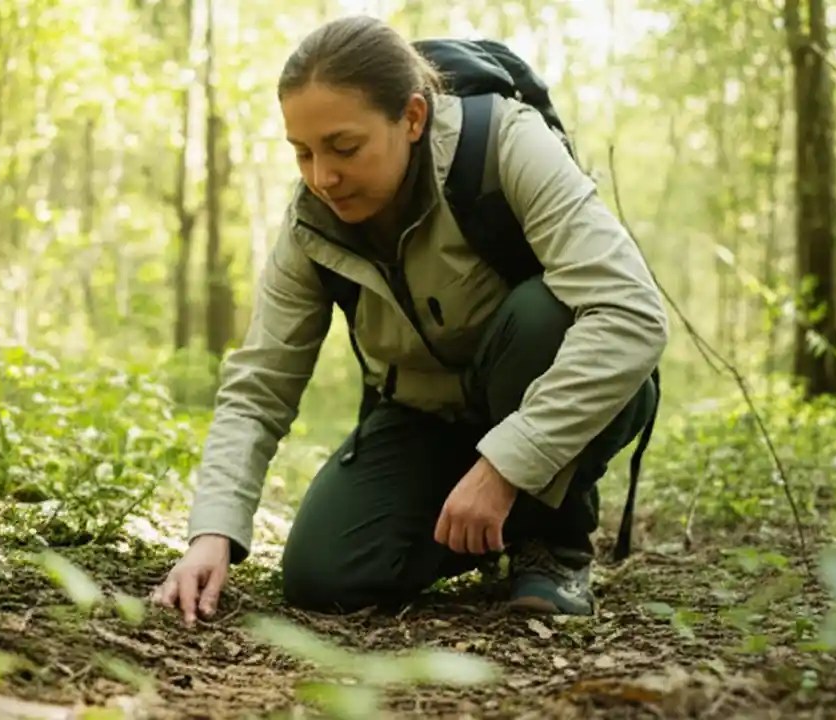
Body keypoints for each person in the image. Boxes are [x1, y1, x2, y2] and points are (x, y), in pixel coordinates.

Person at [150, 15, 667, 626]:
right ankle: (493, 524)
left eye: (344, 148)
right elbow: (258, 384)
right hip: (423, 417)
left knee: (543, 316)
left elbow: (630, 313)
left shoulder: (506, 145)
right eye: (303, 153)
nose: (323, 177)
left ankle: (553, 542)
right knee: (325, 575)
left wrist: (505, 467)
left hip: (535, 382)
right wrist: (210, 533)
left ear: (413, 118)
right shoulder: (310, 222)